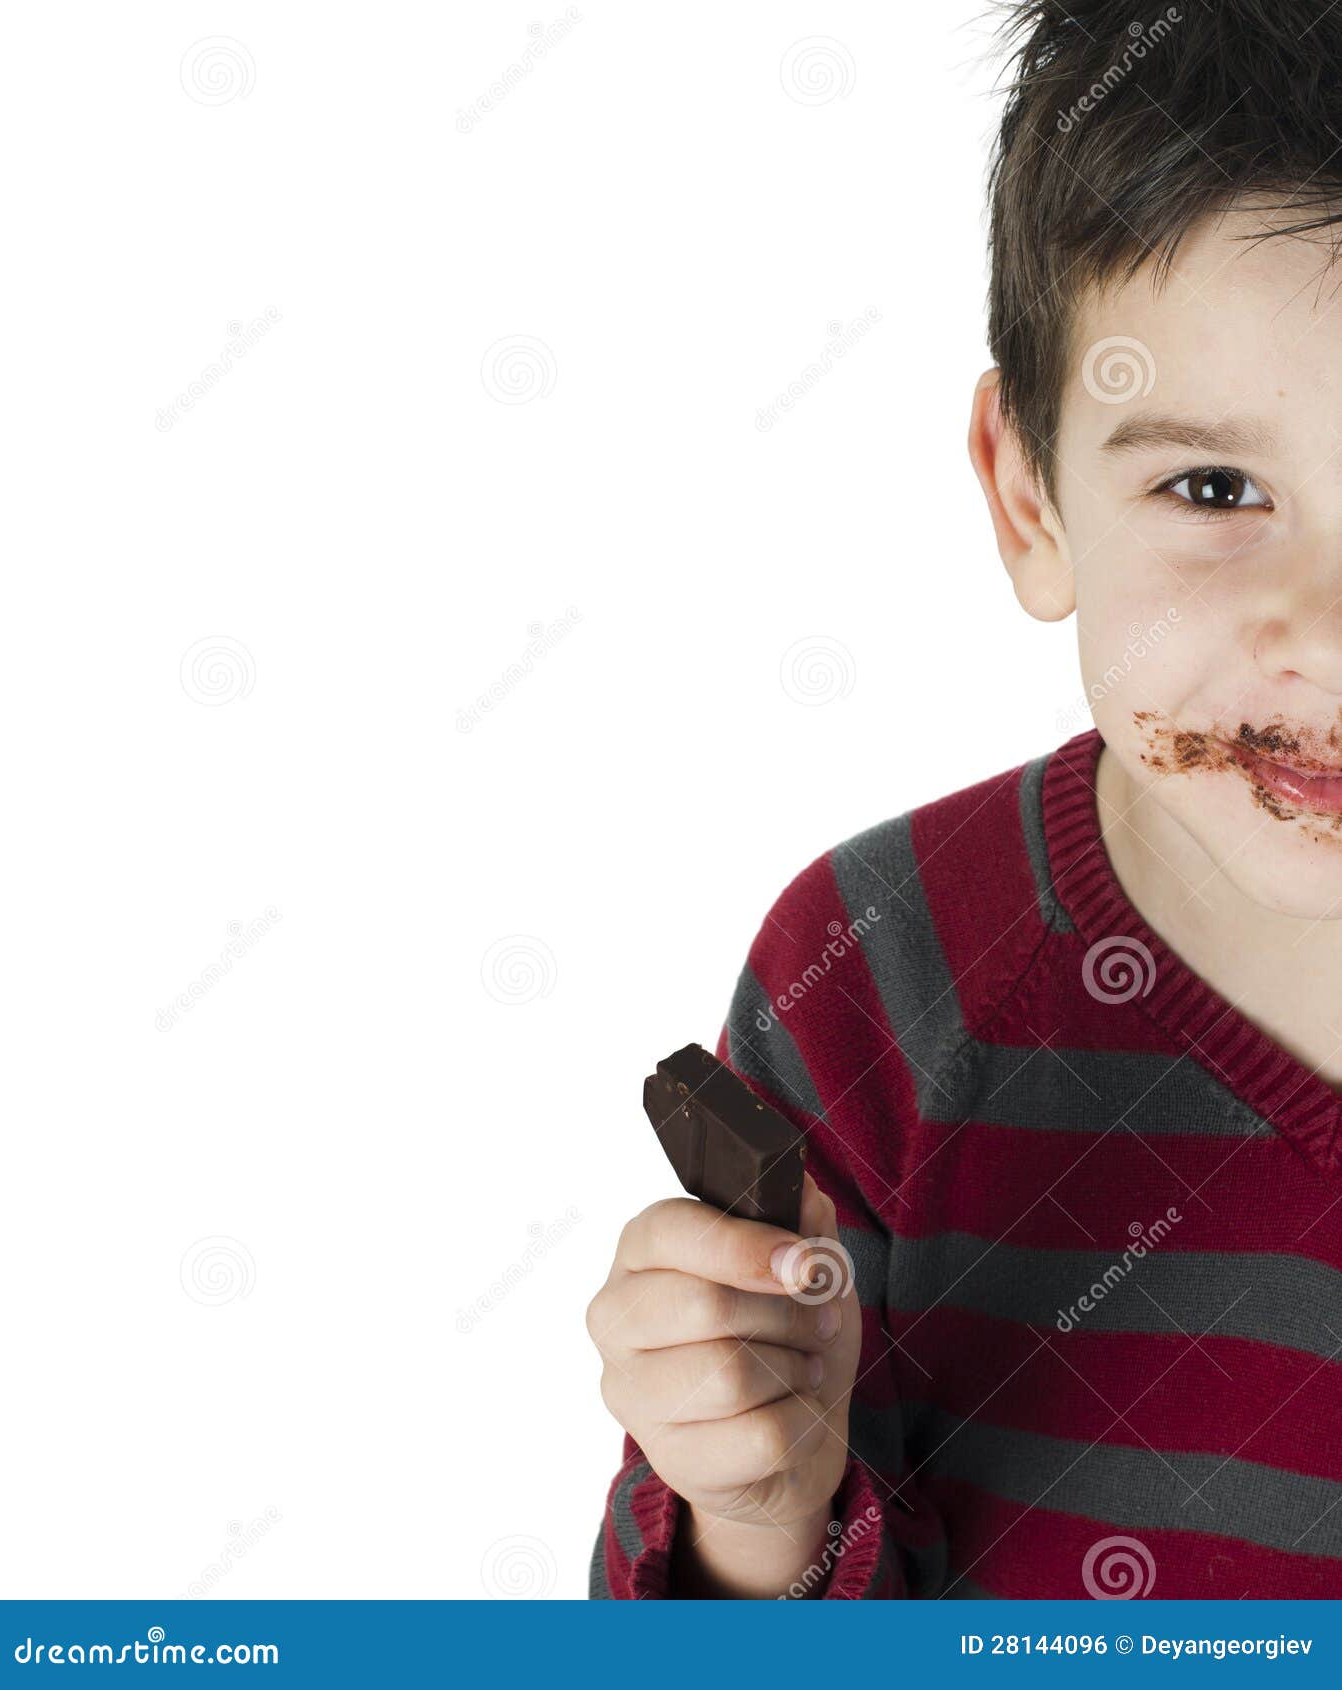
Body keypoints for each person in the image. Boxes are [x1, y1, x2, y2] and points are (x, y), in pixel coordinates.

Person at [586, 0, 1342, 1598]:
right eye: (1215, 489)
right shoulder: (888, 973)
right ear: (1029, 495)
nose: (1328, 632)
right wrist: (755, 1510)